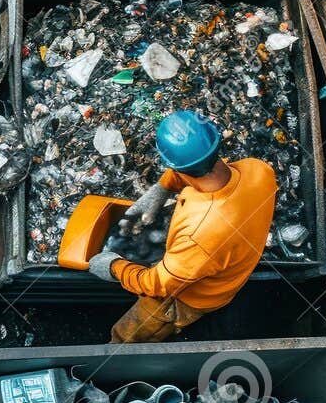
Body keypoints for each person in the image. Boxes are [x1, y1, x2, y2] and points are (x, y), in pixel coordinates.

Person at [87, 111, 276, 343]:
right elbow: (207, 170)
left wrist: (114, 267)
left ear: (173, 165)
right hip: (229, 263)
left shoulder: (199, 236)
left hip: (188, 298)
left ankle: (118, 355)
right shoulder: (258, 170)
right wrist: (164, 186)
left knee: (130, 334)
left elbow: (155, 285)